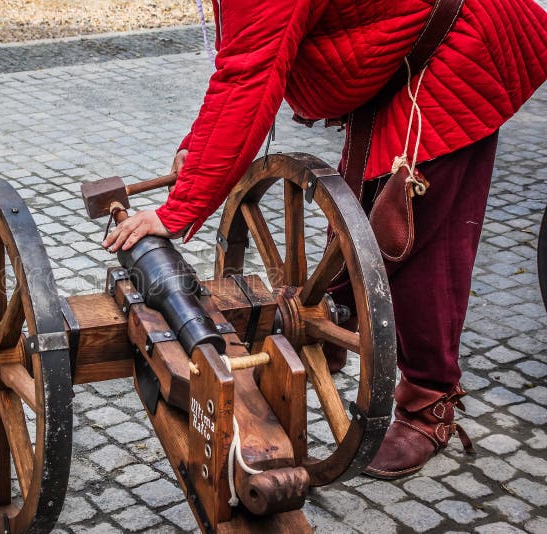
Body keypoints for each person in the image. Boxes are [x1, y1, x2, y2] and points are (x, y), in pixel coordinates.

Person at [103, 0, 547, 479]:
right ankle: (337, 321)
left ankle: (429, 406)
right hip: (396, 56)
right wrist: (198, 146)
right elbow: (243, 55)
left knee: (421, 242)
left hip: (458, 48)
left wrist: (178, 210)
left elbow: (251, 77)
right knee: (359, 212)